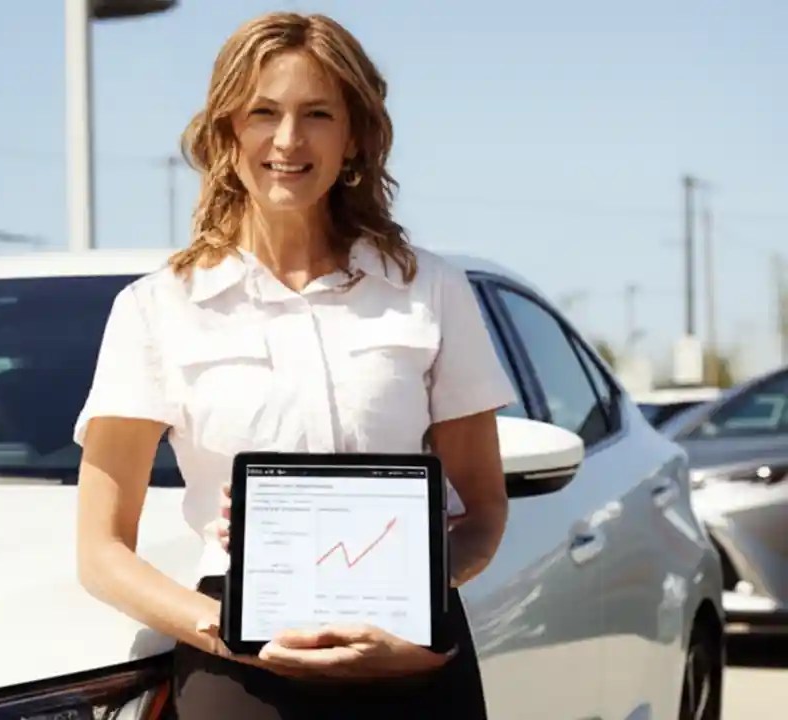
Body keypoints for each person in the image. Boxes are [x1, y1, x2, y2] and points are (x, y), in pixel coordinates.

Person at [72, 11, 517, 718]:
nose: (287, 140)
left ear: (355, 138)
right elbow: (101, 550)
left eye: (317, 113)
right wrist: (226, 635)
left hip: (411, 653)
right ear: (226, 133)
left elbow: (484, 512)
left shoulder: (433, 290)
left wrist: (423, 609)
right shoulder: (155, 309)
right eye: (262, 113)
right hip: (240, 664)